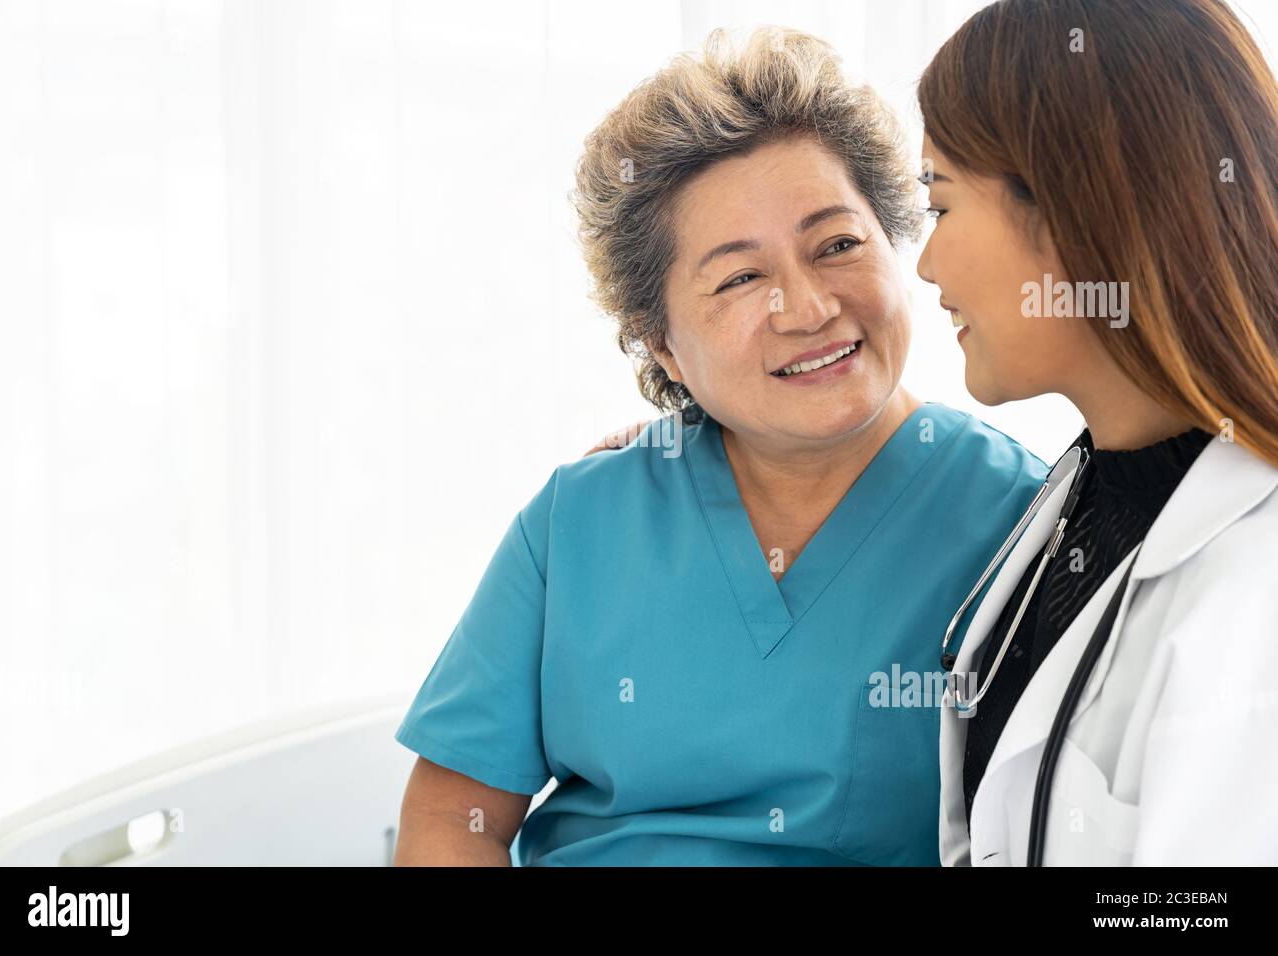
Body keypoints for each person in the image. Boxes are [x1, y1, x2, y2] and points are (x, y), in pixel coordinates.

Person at [390, 26, 1046, 866]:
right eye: (739, 277)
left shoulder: (1018, 527)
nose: (807, 308)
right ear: (661, 343)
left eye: (838, 244)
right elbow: (454, 813)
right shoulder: (579, 521)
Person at [916, 0, 1278, 864]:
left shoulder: (1255, 580)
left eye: (940, 206)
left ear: (1076, 208)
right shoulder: (1087, 488)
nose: (926, 266)